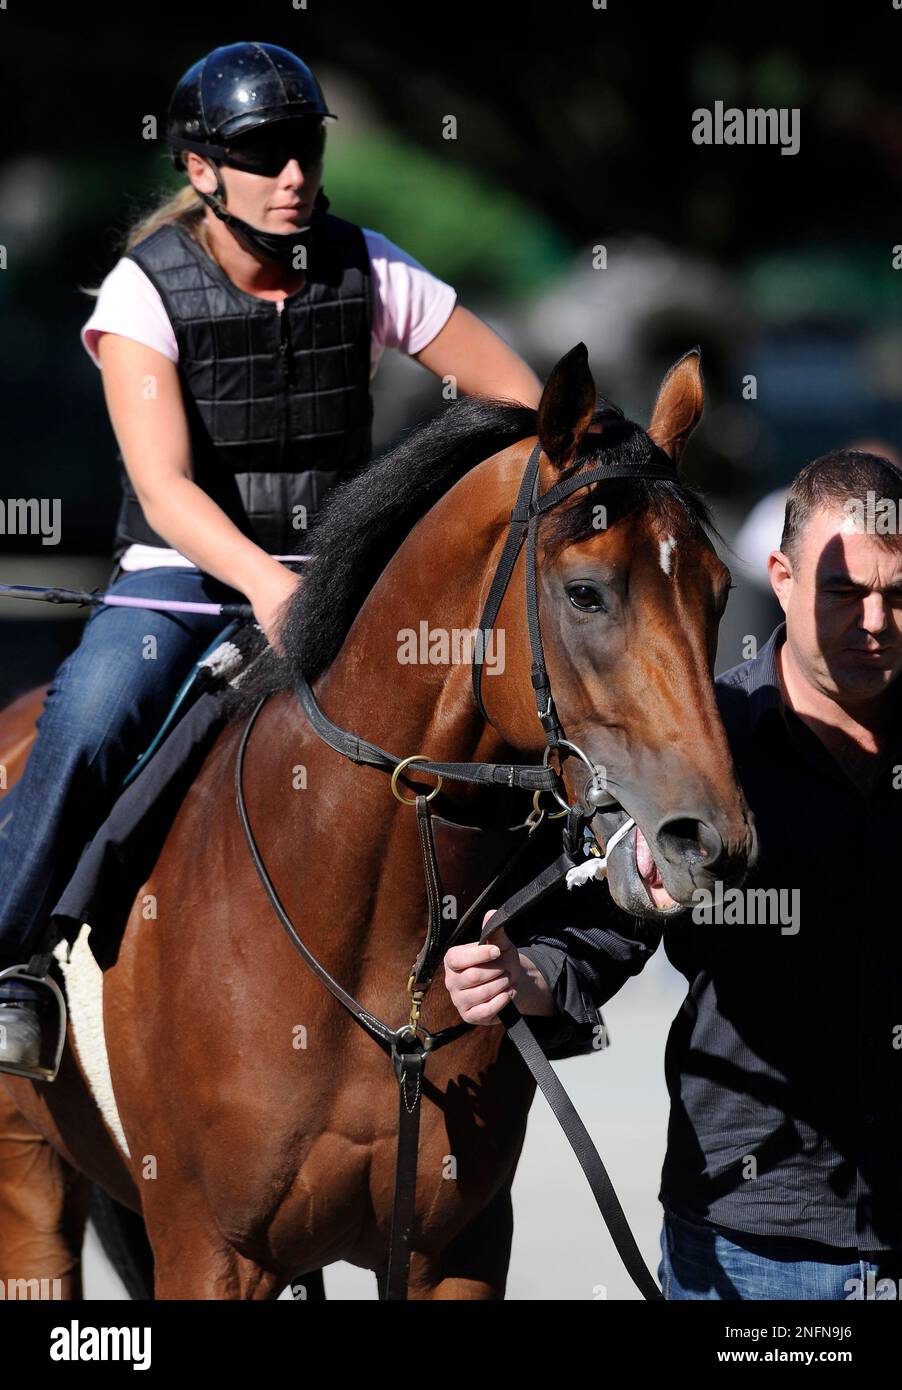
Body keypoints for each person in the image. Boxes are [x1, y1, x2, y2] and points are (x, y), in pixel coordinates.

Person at [0, 40, 541, 1080]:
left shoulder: (368, 263)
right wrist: (265, 581)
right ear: (200, 170)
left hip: (344, 575)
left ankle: (555, 936)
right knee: (92, 708)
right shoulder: (140, 293)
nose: (293, 176)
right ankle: (14, 951)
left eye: (302, 149)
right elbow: (164, 490)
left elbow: (515, 402)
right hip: (187, 574)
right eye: (262, 155)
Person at [446, 447, 902, 1299]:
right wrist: (524, 973)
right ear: (783, 578)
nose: (875, 622)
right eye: (846, 593)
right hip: (754, 1247)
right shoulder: (702, 742)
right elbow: (598, 930)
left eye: (898, 595)